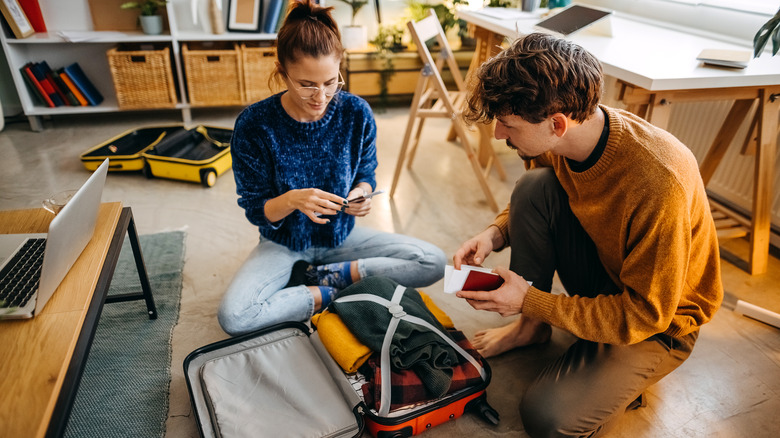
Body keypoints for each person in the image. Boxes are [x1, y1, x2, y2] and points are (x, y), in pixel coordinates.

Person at [453, 33, 723, 437]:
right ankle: (532, 328)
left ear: (557, 124)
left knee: (548, 418)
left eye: (507, 125)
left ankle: (622, 376)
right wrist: (494, 234)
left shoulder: (657, 183)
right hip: (607, 271)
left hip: (660, 321)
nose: (498, 135)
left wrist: (531, 299)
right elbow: (535, 197)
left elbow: (647, 313)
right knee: (535, 186)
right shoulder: (571, 131)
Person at [218, 0, 446, 336]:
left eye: (330, 81)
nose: (320, 96)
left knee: (433, 260)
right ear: (282, 72)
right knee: (234, 316)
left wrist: (362, 194)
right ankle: (325, 293)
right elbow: (257, 210)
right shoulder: (255, 125)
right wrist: (294, 199)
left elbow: (366, 173)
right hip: (284, 243)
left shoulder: (355, 113)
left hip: (343, 235)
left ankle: (335, 275)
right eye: (306, 84)